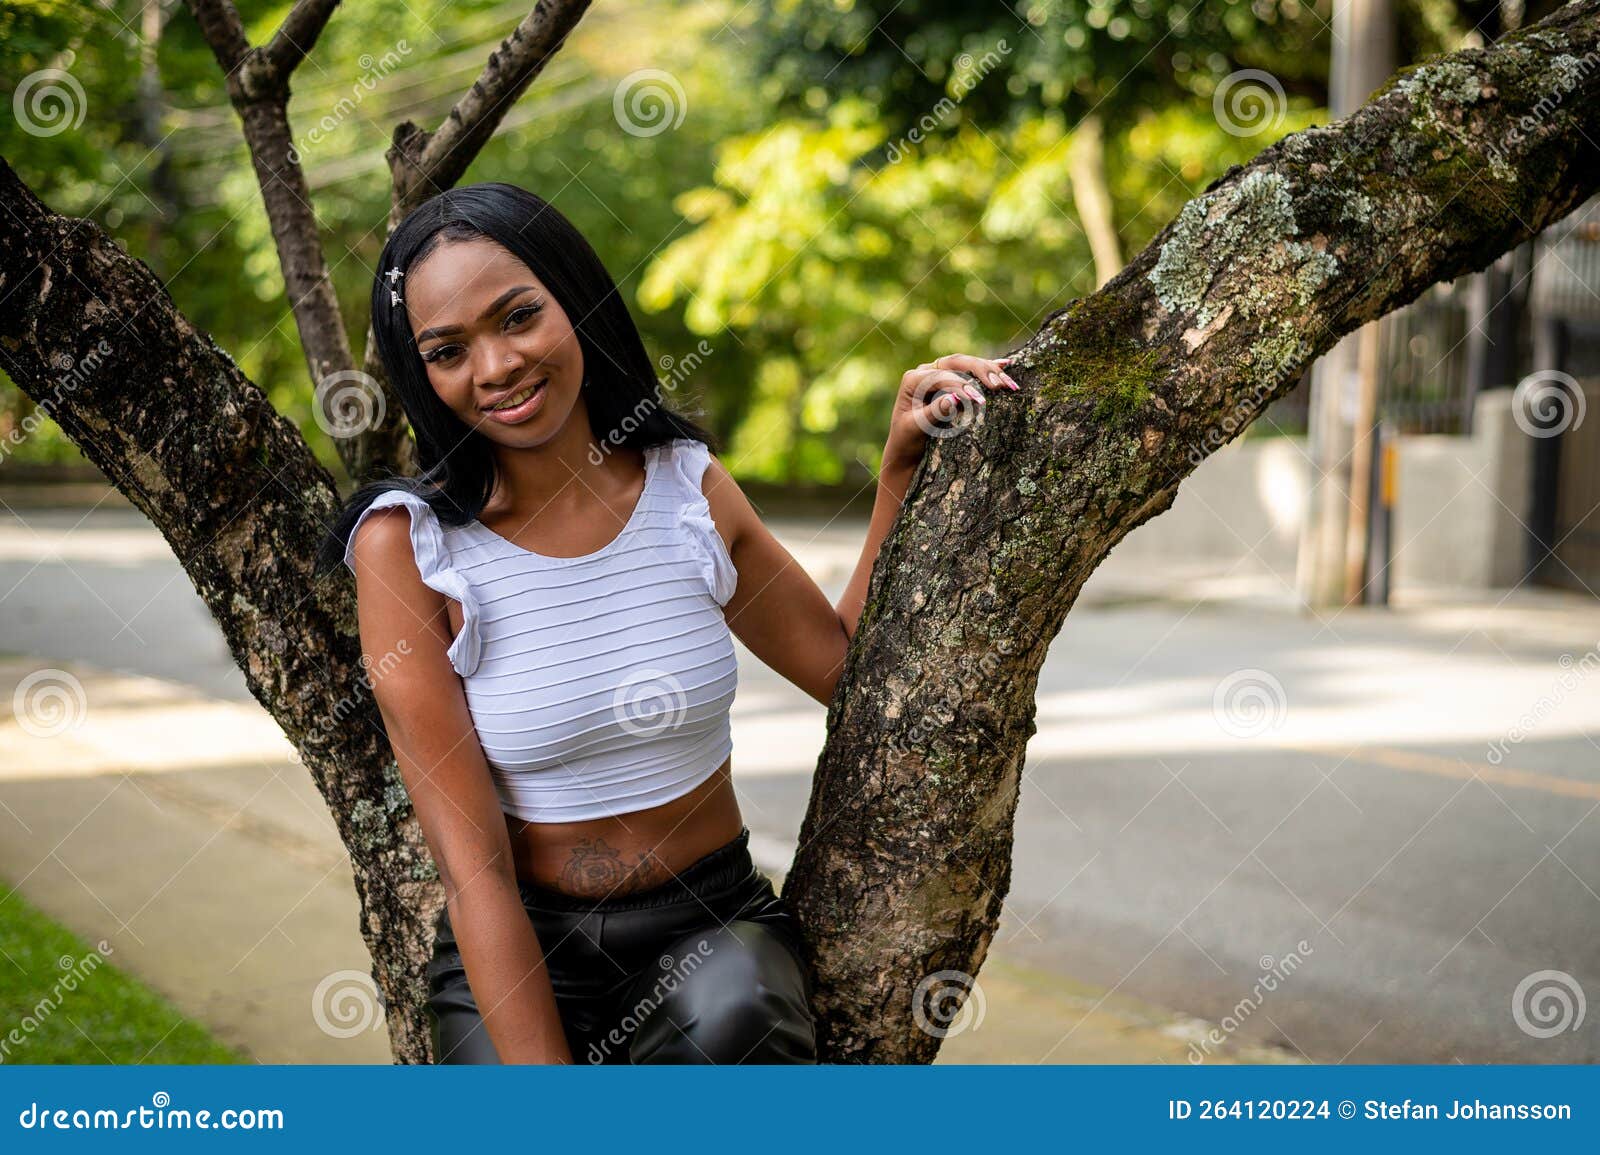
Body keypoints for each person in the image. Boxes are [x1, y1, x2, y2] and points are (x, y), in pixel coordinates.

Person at [315, 181, 1021, 1064]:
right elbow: (473, 872)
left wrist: (896, 474)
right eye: (449, 349)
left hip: (713, 930)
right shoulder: (411, 546)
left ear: (577, 302)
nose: (494, 368)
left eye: (519, 317)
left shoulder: (684, 487)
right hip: (524, 949)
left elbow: (845, 668)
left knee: (739, 1014)